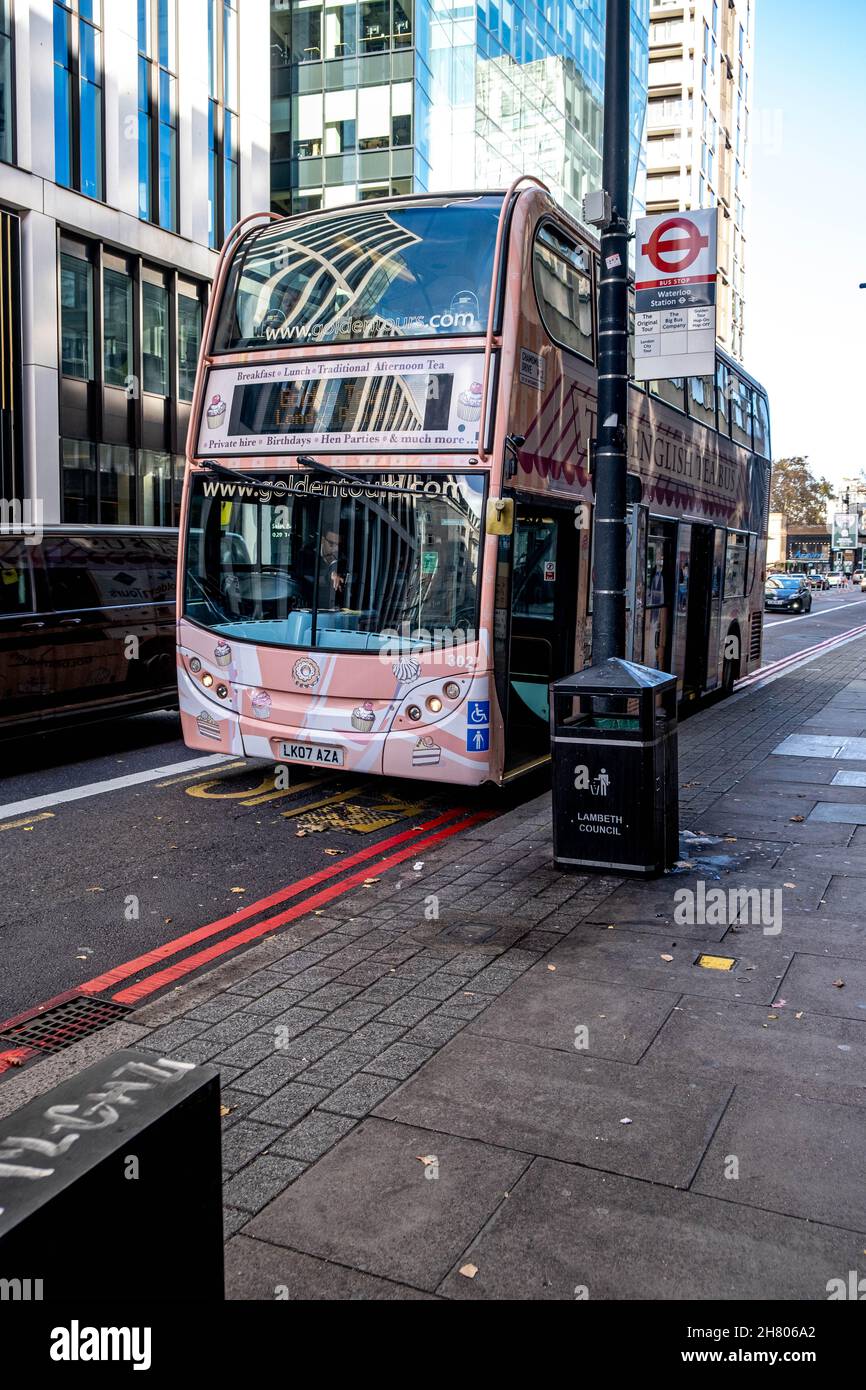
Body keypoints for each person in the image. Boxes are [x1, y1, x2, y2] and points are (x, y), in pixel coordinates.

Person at [297, 527, 347, 609]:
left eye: (339, 545)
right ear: (322, 540)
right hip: (311, 606)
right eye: (331, 544)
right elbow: (307, 578)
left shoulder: (343, 556)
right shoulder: (306, 554)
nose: (336, 549)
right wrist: (328, 577)